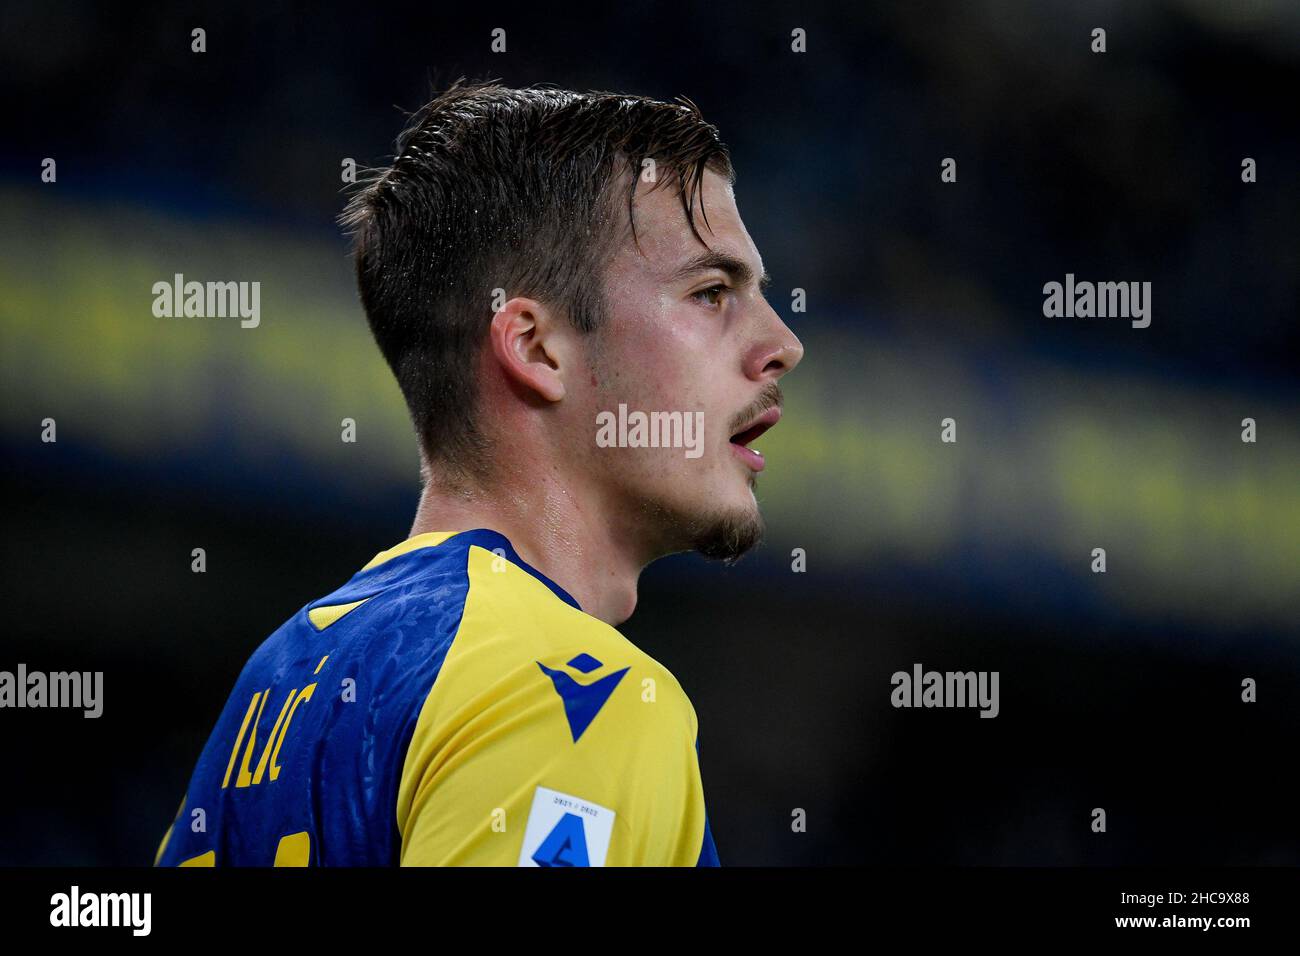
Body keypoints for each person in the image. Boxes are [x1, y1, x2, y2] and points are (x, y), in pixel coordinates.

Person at [154, 80, 803, 867]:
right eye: (710, 293)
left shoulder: (283, 677)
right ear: (533, 348)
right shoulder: (575, 694)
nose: (781, 343)